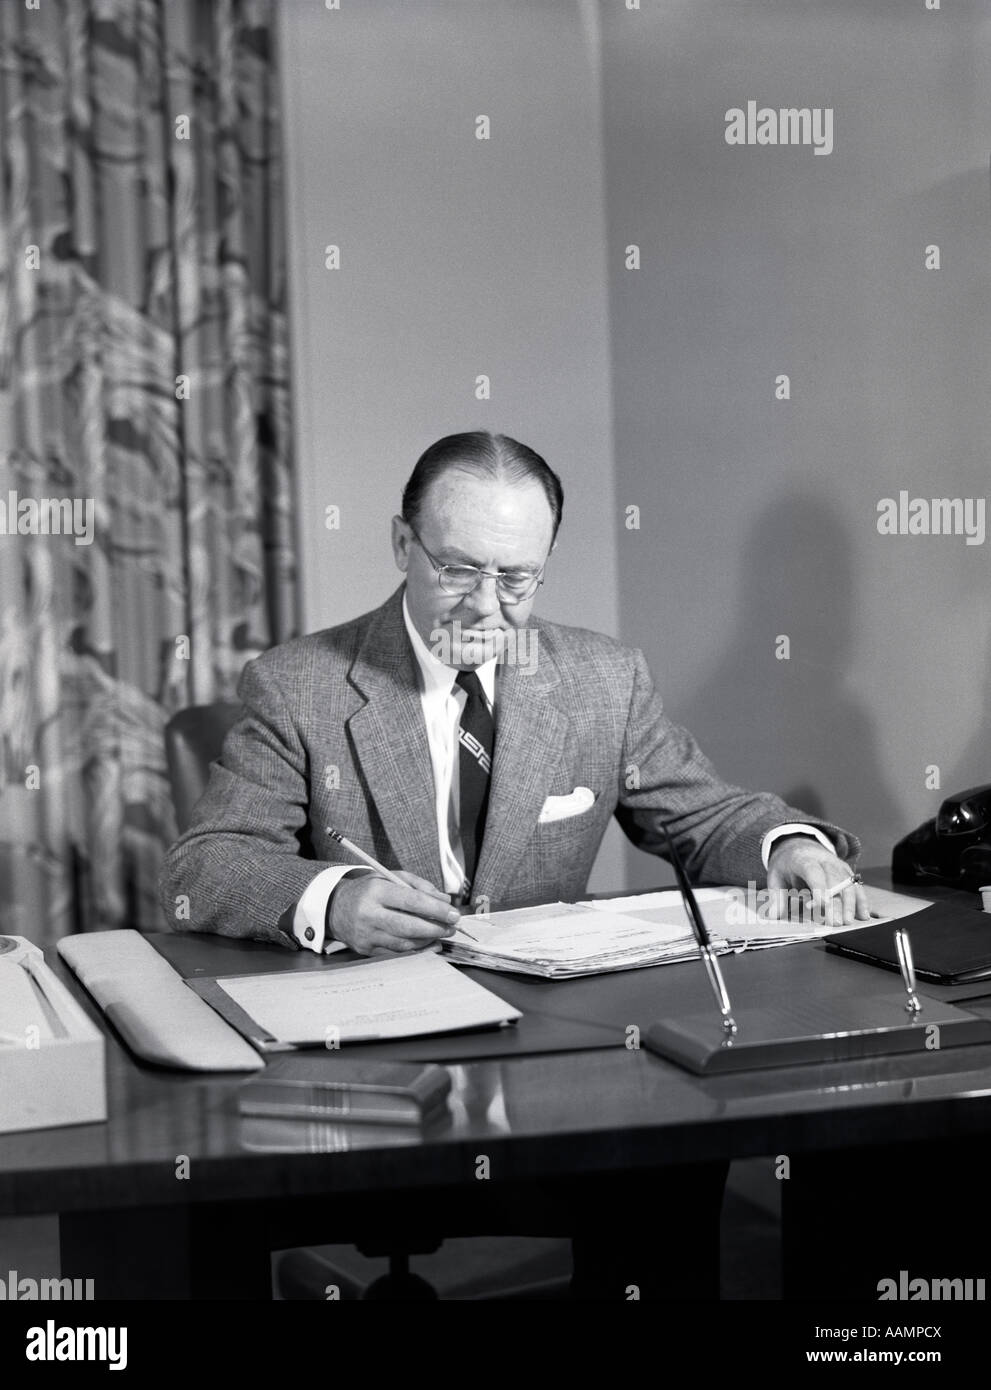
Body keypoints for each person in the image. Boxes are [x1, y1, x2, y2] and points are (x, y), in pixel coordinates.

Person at [160, 429, 867, 1299]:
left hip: (548, 1053)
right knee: (192, 1202)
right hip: (361, 1066)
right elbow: (205, 865)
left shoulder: (603, 680)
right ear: (401, 543)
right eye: (458, 570)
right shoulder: (298, 683)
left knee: (672, 1156)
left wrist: (785, 844)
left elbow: (702, 812)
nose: (484, 609)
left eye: (516, 579)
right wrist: (334, 898)